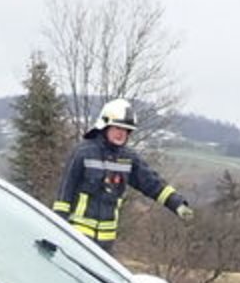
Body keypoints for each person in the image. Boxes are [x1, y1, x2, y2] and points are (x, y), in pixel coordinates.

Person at [52, 98, 191, 253]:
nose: (121, 133)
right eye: (117, 127)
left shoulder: (128, 158)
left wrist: (177, 204)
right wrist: (57, 232)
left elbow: (152, 184)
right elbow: (64, 196)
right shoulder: (83, 152)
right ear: (105, 126)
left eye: (126, 130)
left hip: (105, 244)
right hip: (77, 237)